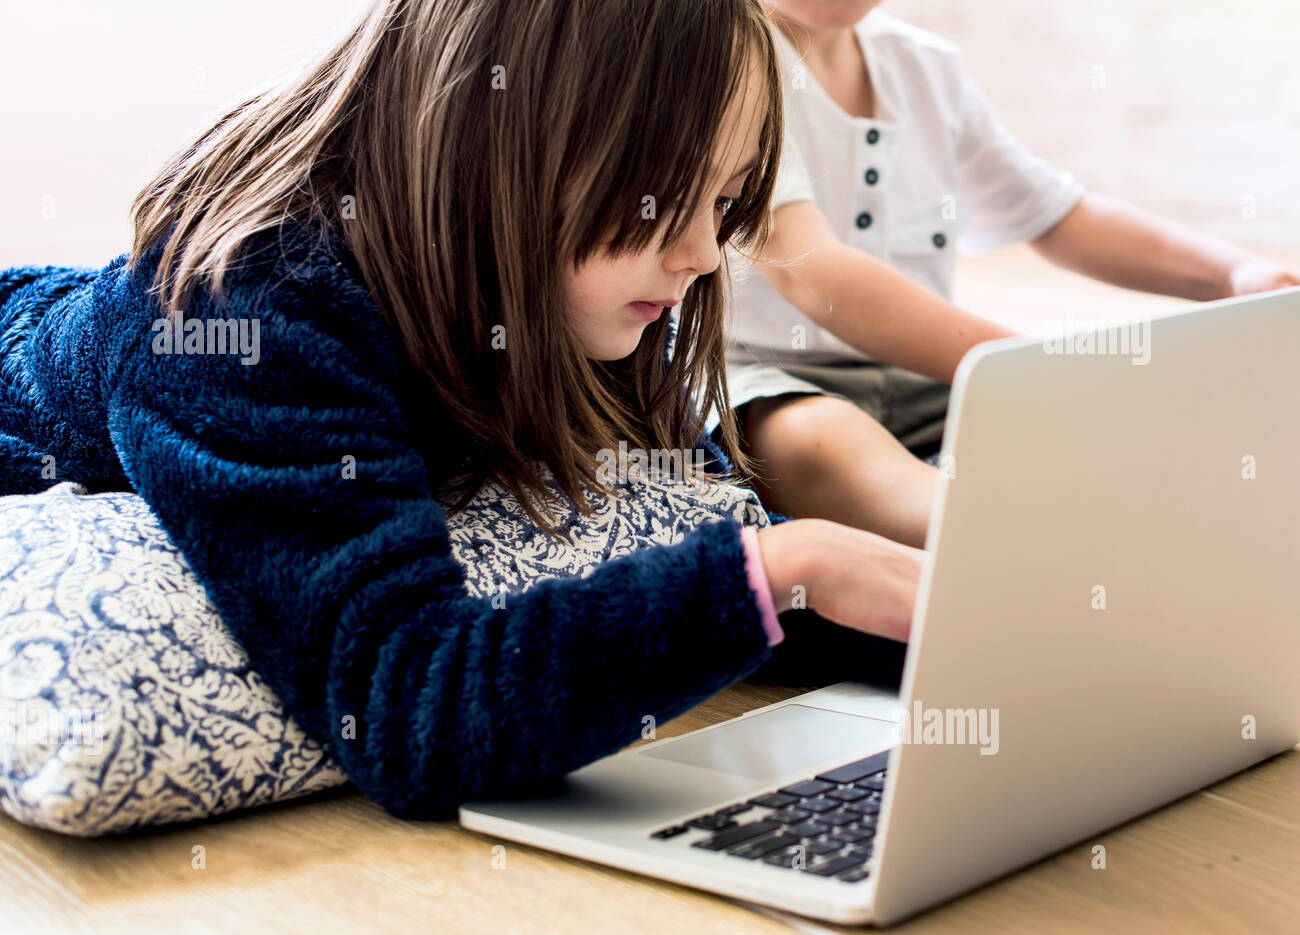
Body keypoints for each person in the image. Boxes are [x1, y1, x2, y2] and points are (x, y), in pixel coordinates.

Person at [0, 0, 926, 820]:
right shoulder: (242, 310)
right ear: (495, 140)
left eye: (721, 201)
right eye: (659, 197)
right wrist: (790, 562)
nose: (700, 251)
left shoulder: (569, 290)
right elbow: (409, 713)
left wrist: (998, 635)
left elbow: (720, 551)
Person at [712, 0, 1300, 548]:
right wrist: (1031, 365)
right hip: (770, 381)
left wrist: (1234, 272)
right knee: (821, 443)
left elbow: (1055, 211)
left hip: (922, 379)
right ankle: (1002, 542)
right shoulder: (729, 62)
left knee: (1094, 439)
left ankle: (1146, 523)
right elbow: (815, 273)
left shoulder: (921, 65)